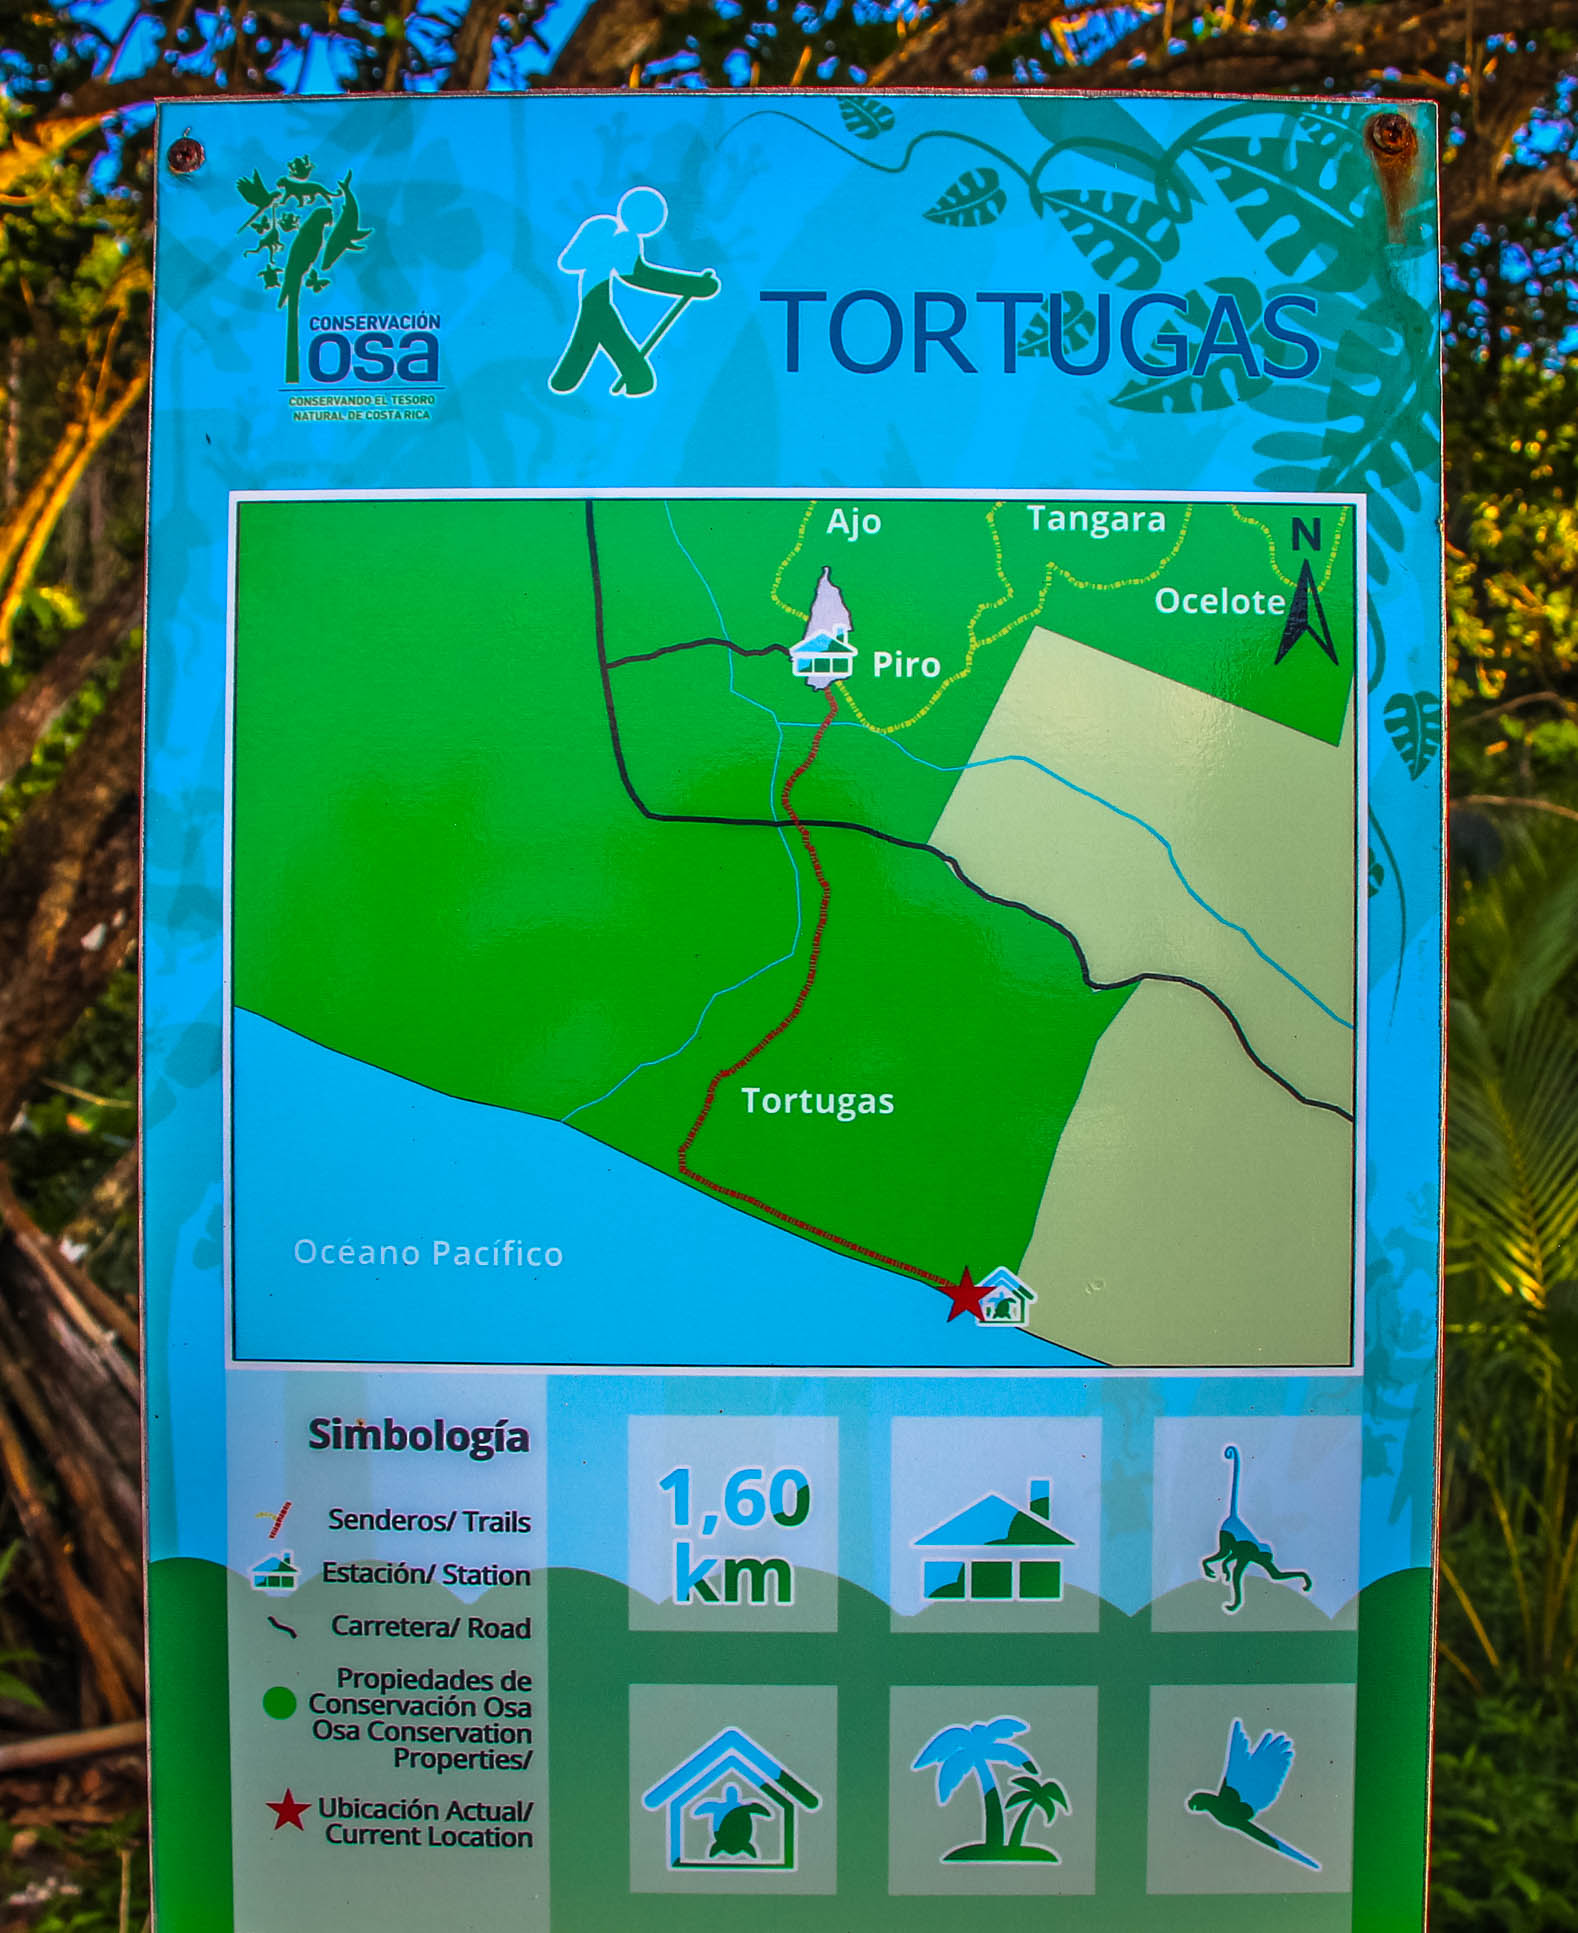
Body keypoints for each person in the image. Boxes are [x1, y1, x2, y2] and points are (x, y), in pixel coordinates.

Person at [550, 186, 720, 397]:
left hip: (595, 297)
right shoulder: (611, 232)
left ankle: (565, 381)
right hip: (594, 294)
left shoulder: (626, 239)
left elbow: (639, 275)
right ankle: (632, 380)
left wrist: (693, 285)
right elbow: (638, 276)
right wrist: (694, 286)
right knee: (606, 336)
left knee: (592, 334)